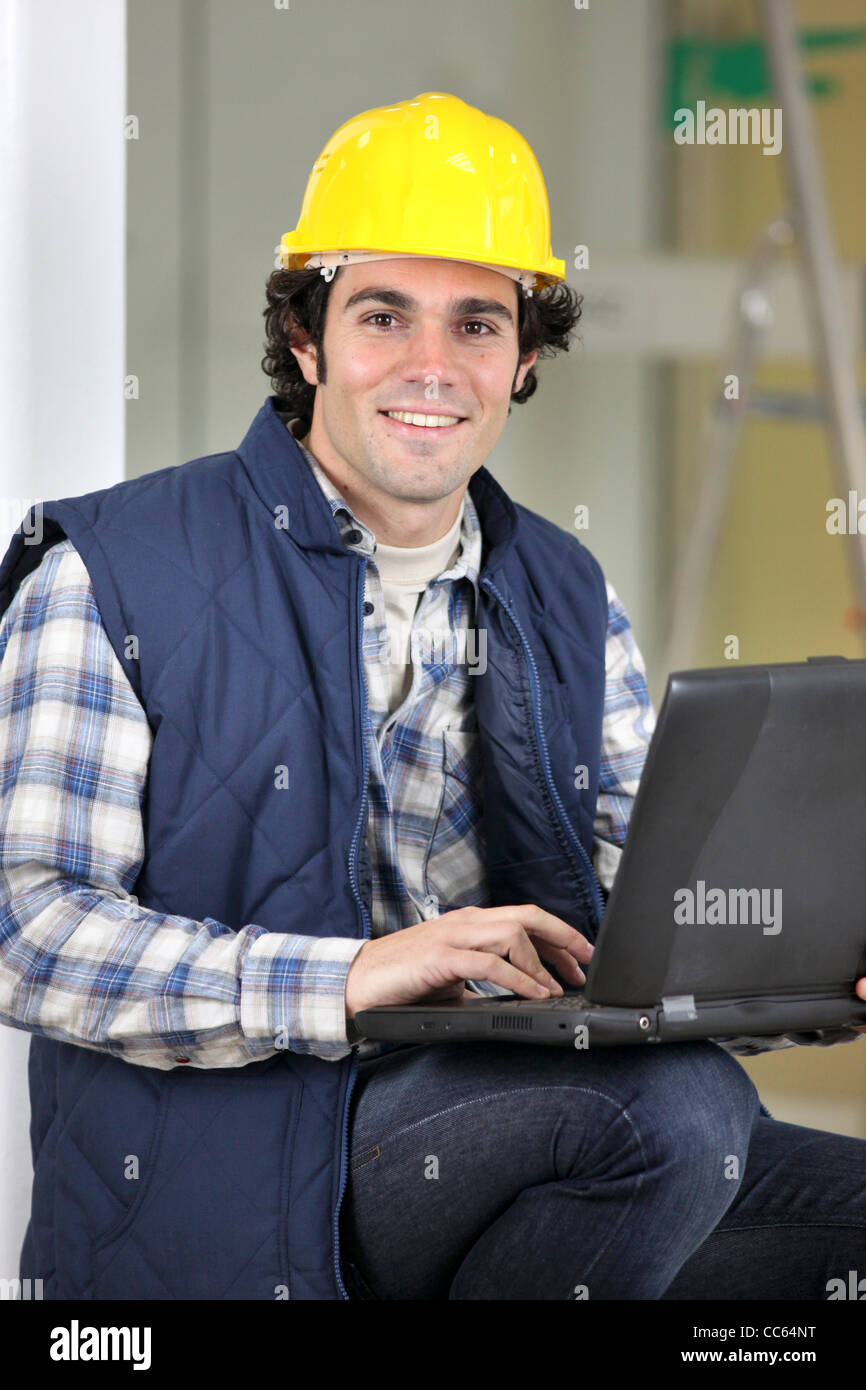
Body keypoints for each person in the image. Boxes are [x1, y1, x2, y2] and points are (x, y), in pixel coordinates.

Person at [0, 91, 864, 1302]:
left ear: (522, 359)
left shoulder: (561, 589)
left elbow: (644, 923)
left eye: (474, 323)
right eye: (381, 315)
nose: (429, 366)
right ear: (305, 339)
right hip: (236, 1167)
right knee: (670, 1114)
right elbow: (26, 932)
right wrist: (345, 976)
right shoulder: (113, 569)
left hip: (502, 1119)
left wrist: (805, 968)